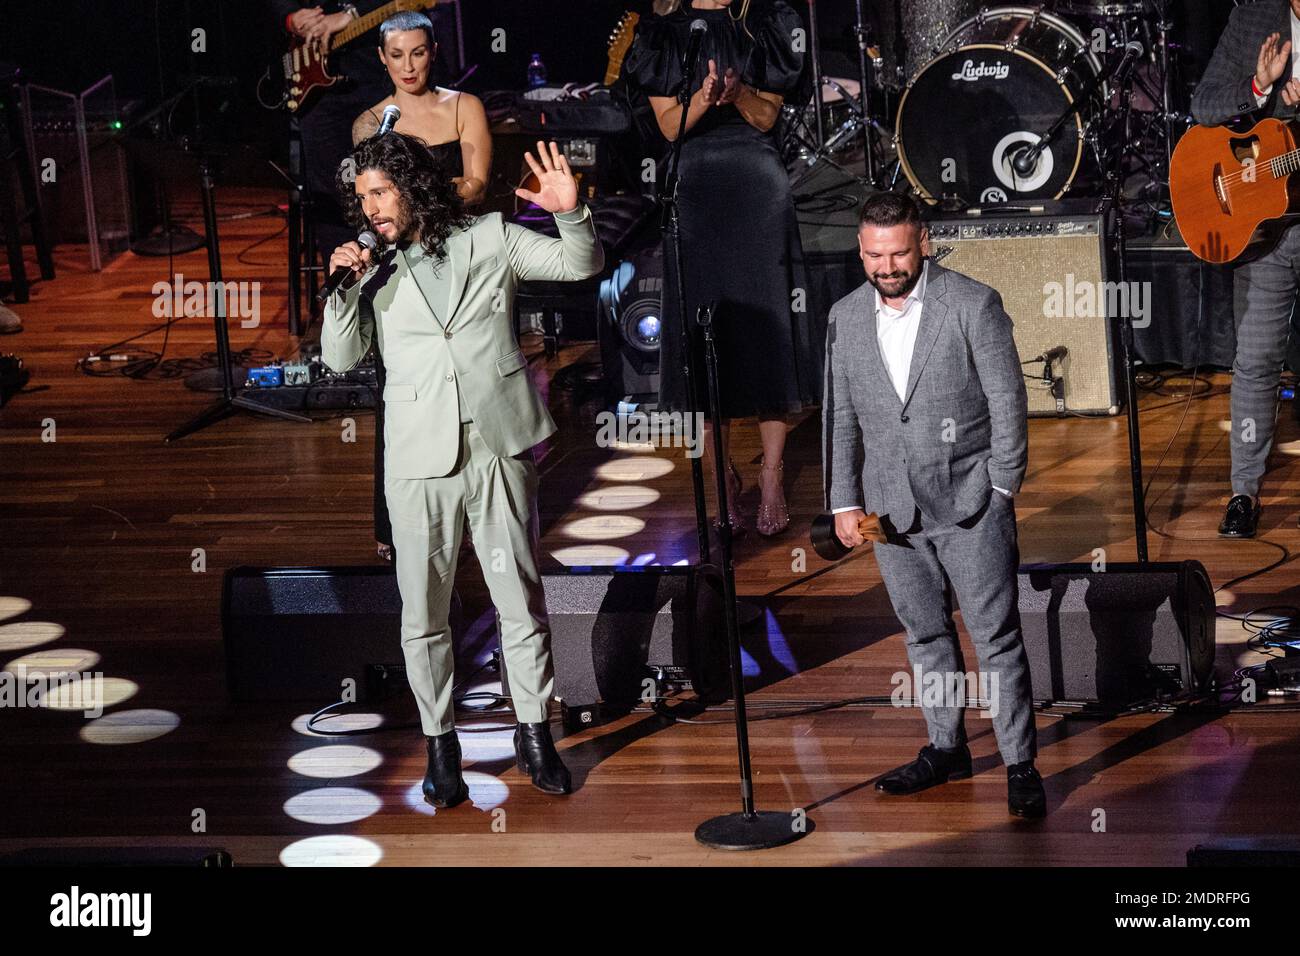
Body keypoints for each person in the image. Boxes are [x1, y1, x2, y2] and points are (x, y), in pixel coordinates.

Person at [321, 133, 604, 805]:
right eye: (361, 198)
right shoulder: (374, 268)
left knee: (520, 602)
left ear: (413, 184)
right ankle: (440, 745)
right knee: (423, 612)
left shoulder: (490, 236)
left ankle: (535, 734)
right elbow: (338, 359)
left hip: (497, 445)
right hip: (419, 459)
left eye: (380, 191)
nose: (371, 208)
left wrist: (570, 210)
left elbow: (579, 264)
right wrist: (342, 293)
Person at [823, 192, 1044, 818]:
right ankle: (946, 747)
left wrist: (1002, 488)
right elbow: (842, 418)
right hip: (889, 511)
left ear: (924, 241)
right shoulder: (843, 317)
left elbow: (1009, 404)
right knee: (923, 632)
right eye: (873, 254)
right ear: (860, 250)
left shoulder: (973, 304)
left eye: (897, 252)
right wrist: (844, 499)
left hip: (972, 502)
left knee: (995, 637)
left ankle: (1021, 765)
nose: (886, 266)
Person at [623, 0, 815, 535]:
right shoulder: (663, 31)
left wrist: (739, 93)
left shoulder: (766, 20)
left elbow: (766, 117)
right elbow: (667, 128)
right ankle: (719, 475)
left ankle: (772, 476)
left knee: (766, 334)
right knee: (702, 332)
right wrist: (706, 99)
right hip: (695, 182)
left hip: (756, 179)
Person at [350, 10, 494, 561]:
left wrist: (410, 195)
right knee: (400, 392)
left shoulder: (463, 106)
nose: (408, 66)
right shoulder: (370, 124)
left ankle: (480, 506)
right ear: (382, 59)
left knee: (472, 381)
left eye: (418, 53)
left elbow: (477, 187)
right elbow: (372, 201)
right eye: (396, 55)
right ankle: (398, 521)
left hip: (460, 259)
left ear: (433, 51)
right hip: (401, 267)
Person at [1190, 0, 1300, 538]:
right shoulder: (1255, 17)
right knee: (1256, 361)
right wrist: (1260, 89)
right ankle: (1243, 492)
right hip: (1264, 227)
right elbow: (1204, 103)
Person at [271, 2, 390, 262]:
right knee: (332, 193)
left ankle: (391, 282)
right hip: (317, 83)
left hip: (375, 72)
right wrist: (291, 18)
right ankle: (342, 290)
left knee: (386, 181)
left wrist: (352, 13)